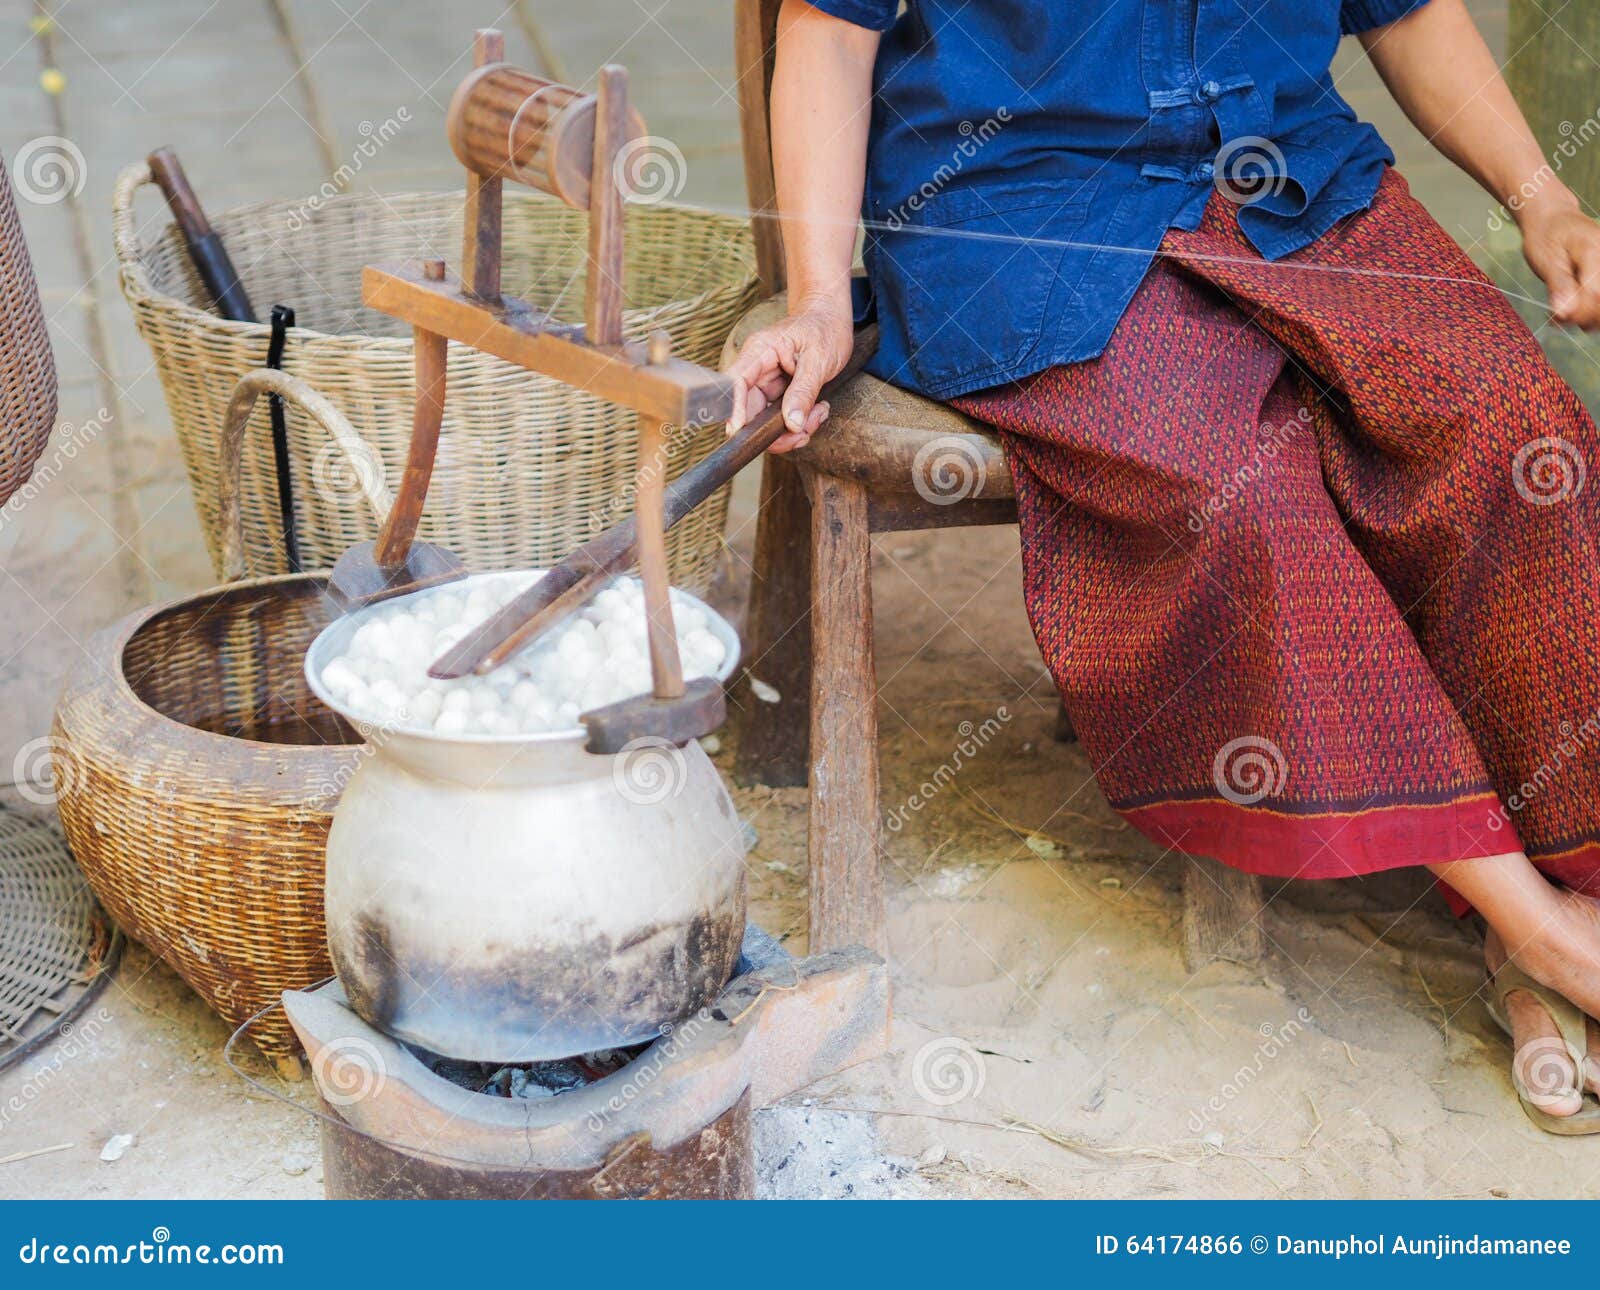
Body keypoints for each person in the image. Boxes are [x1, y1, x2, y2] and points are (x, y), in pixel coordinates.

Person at [726, 0, 1600, 1131]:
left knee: (1518, 432)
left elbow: (1407, 9)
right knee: (1235, 493)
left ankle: (1564, 906)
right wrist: (811, 296)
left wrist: (1545, 199)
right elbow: (830, 32)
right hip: (1019, 209)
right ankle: (1531, 924)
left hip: (1291, 180)